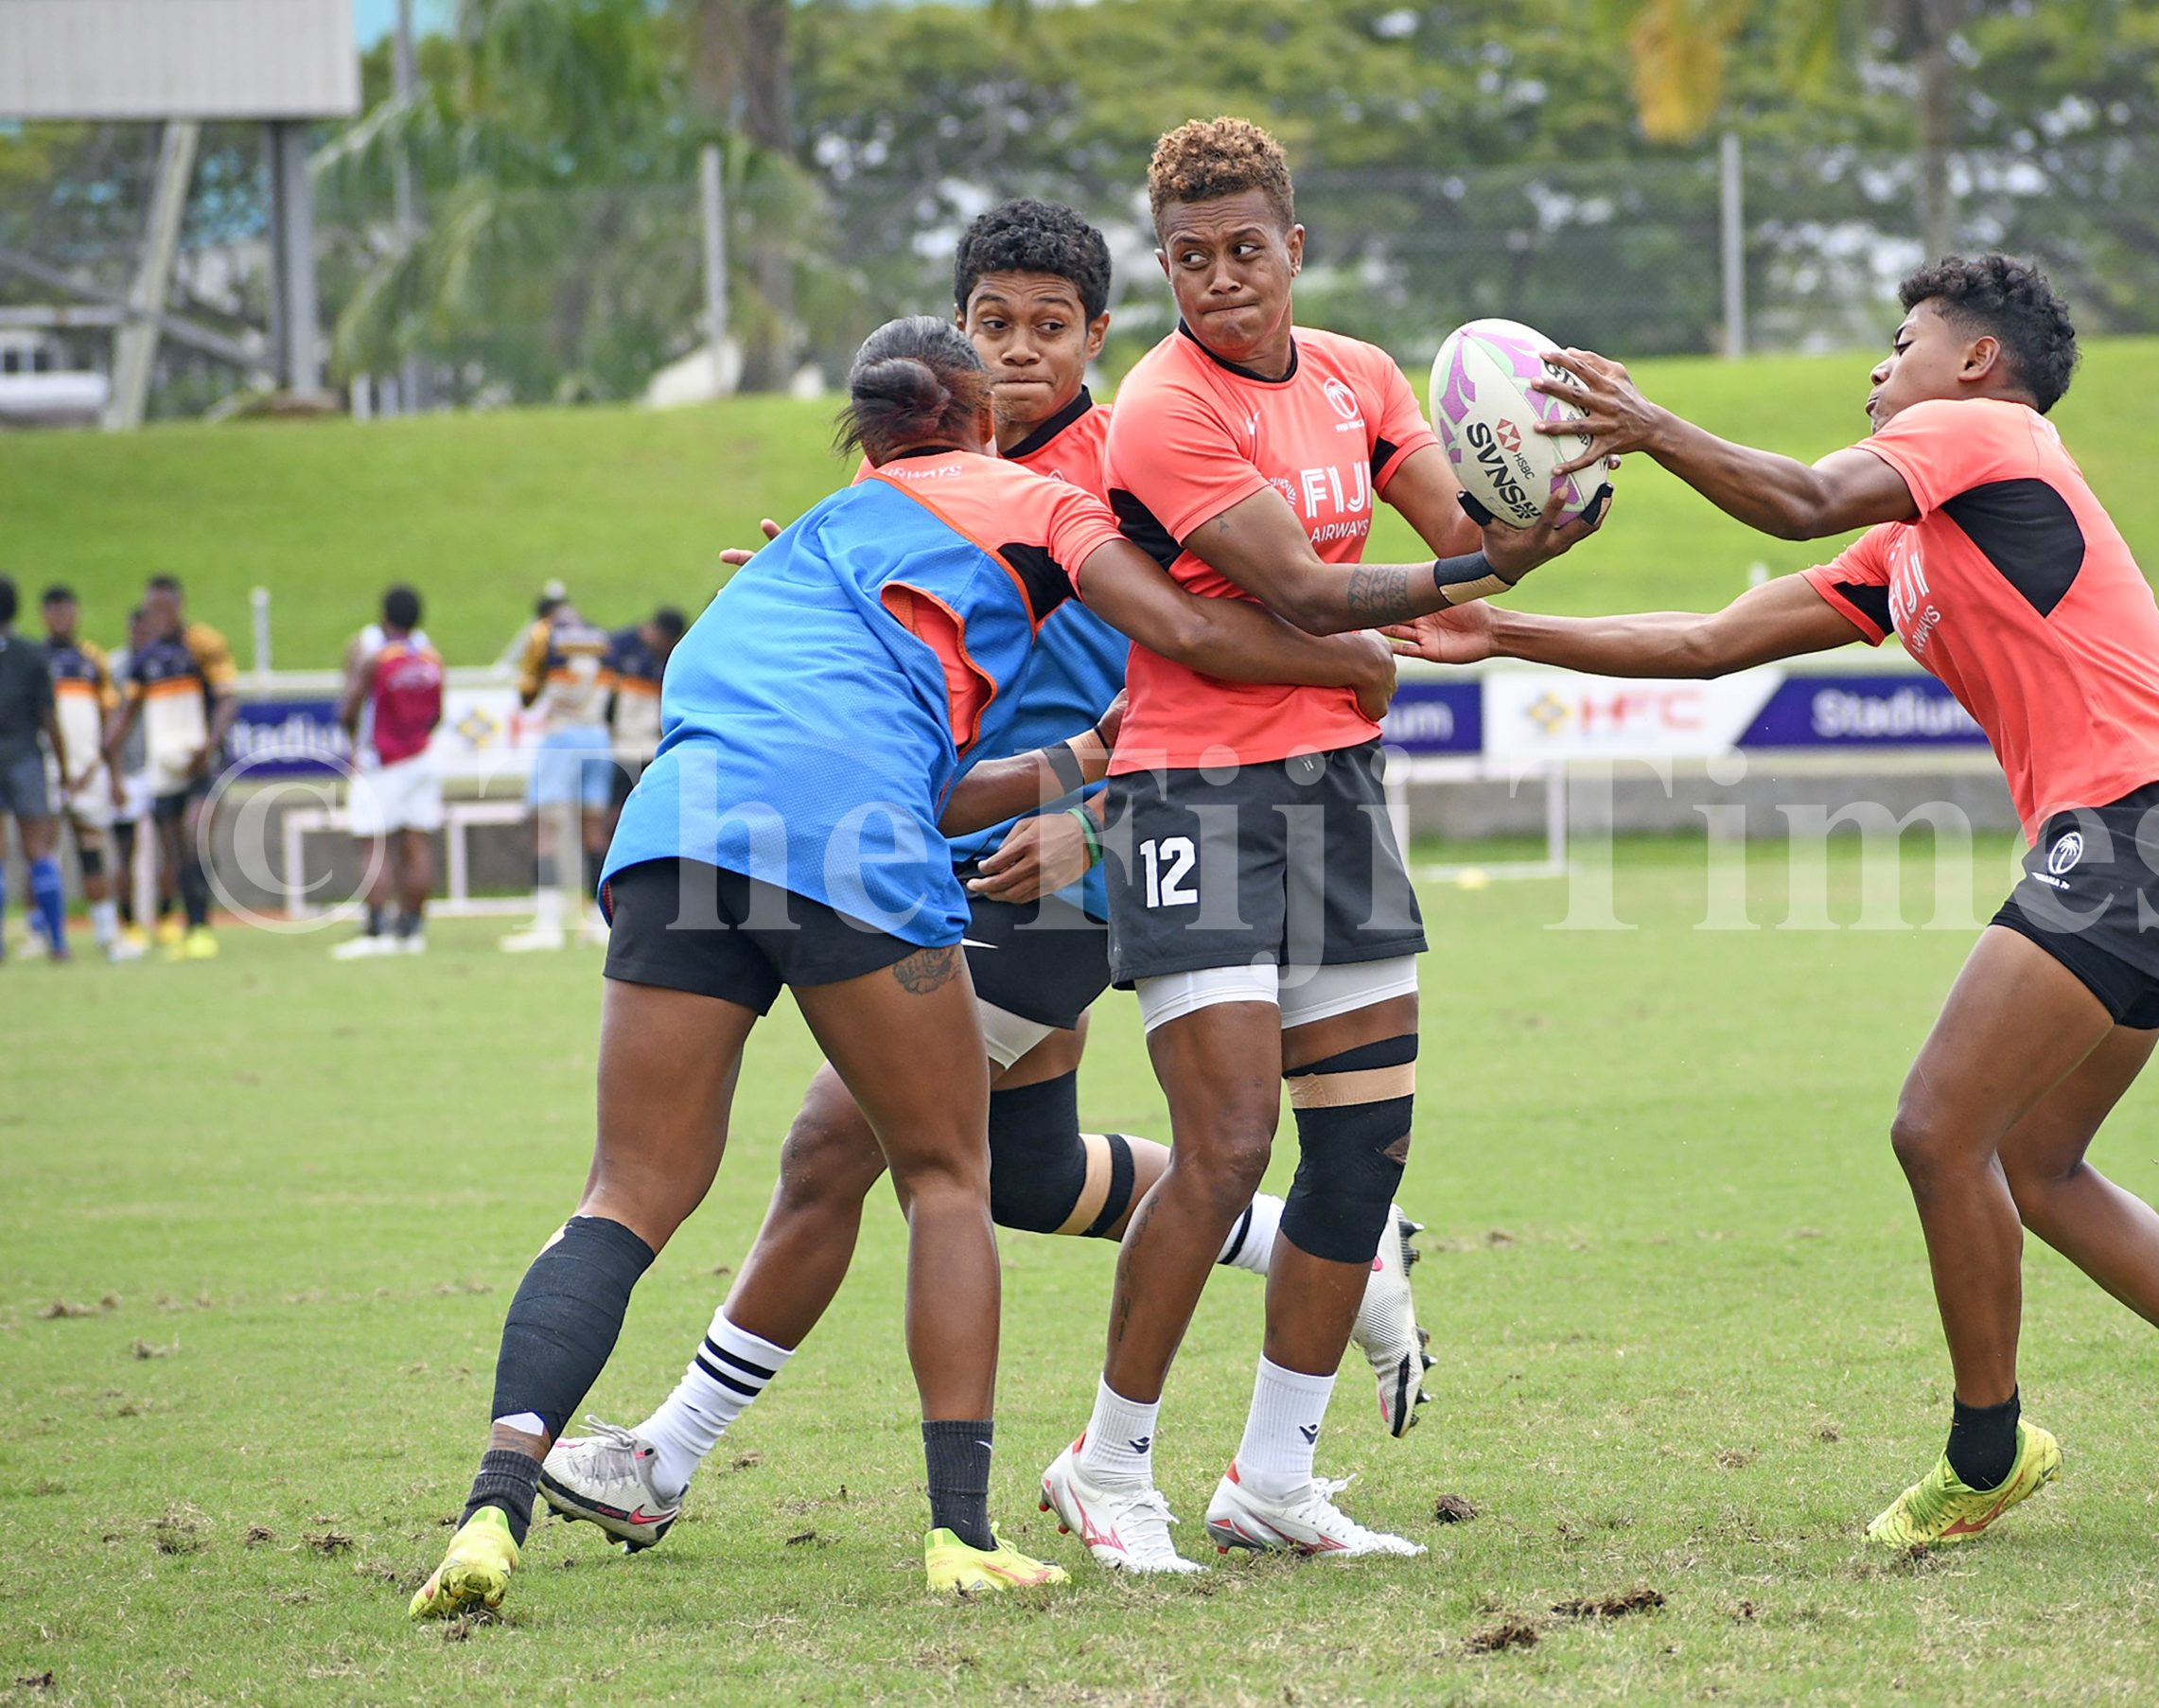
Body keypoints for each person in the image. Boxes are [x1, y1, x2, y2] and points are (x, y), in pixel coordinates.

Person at [406, 314, 1420, 1620]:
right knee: (957, 1172)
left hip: (688, 825)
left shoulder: (817, 541)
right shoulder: (1041, 497)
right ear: (973, 407)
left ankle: (501, 1504)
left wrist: (1083, 780)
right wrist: (1377, 645)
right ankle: (954, 1525)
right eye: (991, 326)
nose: (1017, 346)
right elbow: (1194, 637)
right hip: (881, 845)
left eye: (1042, 321)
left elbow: (915, 753)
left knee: (632, 1190)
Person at [1393, 253, 2159, 1545]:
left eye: (1901, 339)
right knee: (2033, 1157)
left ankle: (1987, 1449)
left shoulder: (1984, 427)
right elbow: (1704, 644)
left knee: (1934, 1127)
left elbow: (1793, 500)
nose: (1876, 366)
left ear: (1973, 360)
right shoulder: (1914, 544)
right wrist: (1502, 634)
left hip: (2152, 824)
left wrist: (1650, 426)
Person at [1034, 118, 1602, 1572]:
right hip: (1194, 802)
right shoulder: (1161, 407)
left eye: (1245, 248)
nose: (1219, 279)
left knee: (1362, 1157)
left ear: (1298, 245)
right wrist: (1479, 568)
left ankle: (1273, 1480)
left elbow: (1463, 522)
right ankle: (1108, 1468)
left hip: (1338, 789)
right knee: (1225, 1150)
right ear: (1163, 268)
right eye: (1188, 258)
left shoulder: (1358, 374)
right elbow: (1300, 587)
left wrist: (1552, 496)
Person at [100, 574, 238, 960]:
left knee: (196, 834)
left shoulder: (202, 643)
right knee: (174, 853)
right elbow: (125, 713)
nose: (159, 616)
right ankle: (186, 924)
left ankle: (201, 928)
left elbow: (228, 700)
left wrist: (208, 746)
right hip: (163, 769)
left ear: (180, 606)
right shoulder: (145, 660)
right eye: (153, 609)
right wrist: (109, 762)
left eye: (165, 607)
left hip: (200, 763)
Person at [332, 586, 446, 959]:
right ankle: (412, 930)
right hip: (422, 758)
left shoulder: (372, 656)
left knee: (374, 845)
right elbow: (438, 715)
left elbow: (348, 709)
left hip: (381, 761)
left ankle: (376, 930)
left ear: (384, 616)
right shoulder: (431, 656)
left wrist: (354, 741)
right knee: (416, 843)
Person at [500, 594, 614, 952]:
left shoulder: (545, 638)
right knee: (594, 831)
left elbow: (527, 695)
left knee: (544, 828)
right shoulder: (598, 638)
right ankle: (598, 921)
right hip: (597, 736)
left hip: (562, 735)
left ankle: (547, 924)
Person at [39, 586, 124, 961]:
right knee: (41, 852)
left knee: (92, 852)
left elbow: (109, 718)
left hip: (87, 772)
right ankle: (39, 932)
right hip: (45, 770)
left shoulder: (93, 661)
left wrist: (104, 767)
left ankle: (107, 934)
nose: (61, 618)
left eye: (67, 610)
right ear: (44, 615)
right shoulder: (35, 659)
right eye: (54, 611)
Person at [0, 575, 70, 964]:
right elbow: (49, 718)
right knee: (39, 850)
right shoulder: (32, 655)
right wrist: (63, 765)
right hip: (27, 758)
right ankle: (57, 942)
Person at [601, 606, 686, 838]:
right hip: (625, 747)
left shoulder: (665, 657)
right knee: (616, 815)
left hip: (649, 748)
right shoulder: (623, 647)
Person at [104, 606, 159, 960]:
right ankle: (126, 922)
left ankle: (168, 915)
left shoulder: (167, 663)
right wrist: (115, 773)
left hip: (161, 766)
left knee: (172, 846)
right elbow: (109, 721)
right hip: (128, 769)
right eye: (135, 630)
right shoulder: (115, 668)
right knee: (125, 850)